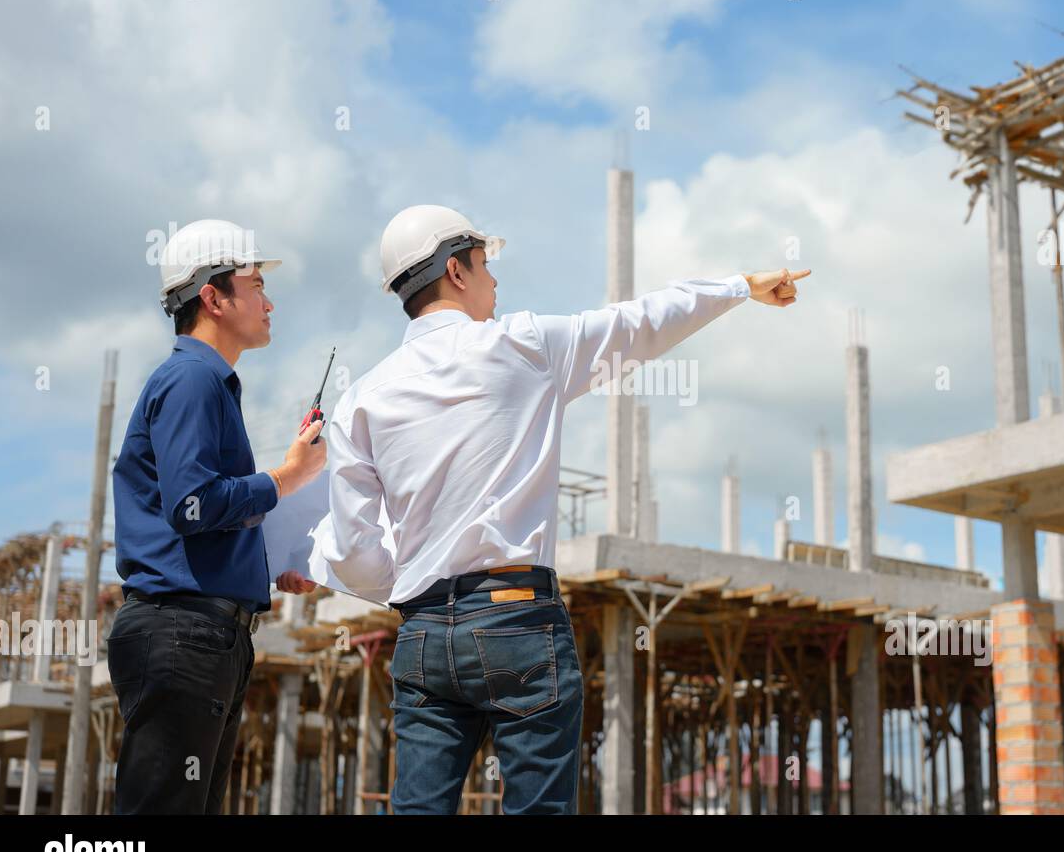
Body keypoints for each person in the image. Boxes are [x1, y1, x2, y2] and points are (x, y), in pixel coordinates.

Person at [322, 204, 809, 814]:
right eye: (486, 265)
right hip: (516, 618)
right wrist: (740, 287)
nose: (495, 281)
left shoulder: (361, 396)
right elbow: (639, 324)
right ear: (456, 271)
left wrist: (420, 589)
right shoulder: (525, 345)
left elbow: (351, 554)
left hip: (421, 632)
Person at [107, 219, 327, 814]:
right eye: (255, 284)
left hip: (202, 631)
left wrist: (267, 565)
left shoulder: (203, 381)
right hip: (182, 631)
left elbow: (195, 513)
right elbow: (194, 505)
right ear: (213, 296)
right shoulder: (192, 379)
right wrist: (289, 477)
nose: (269, 301)